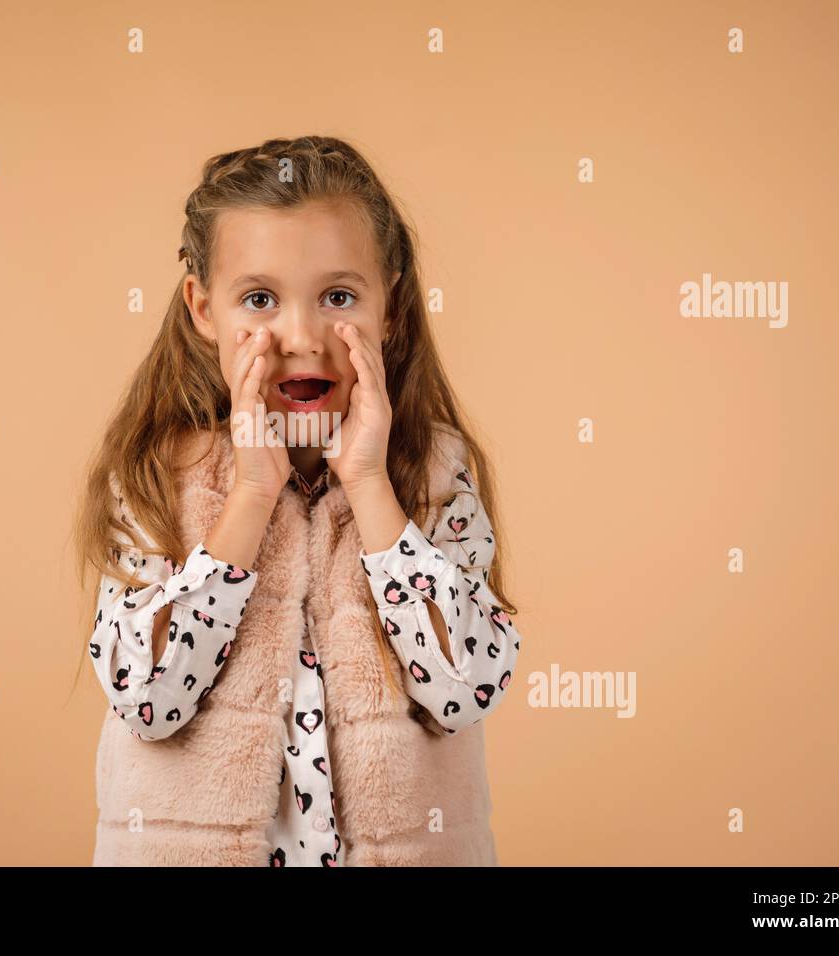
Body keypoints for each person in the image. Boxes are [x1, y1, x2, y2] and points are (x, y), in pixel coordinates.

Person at [72, 135, 524, 866]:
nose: (302, 336)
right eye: (259, 299)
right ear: (202, 308)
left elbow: (465, 688)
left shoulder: (434, 471)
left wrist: (373, 489)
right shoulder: (155, 476)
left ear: (393, 309)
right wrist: (250, 494)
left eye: (338, 297)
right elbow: (147, 698)